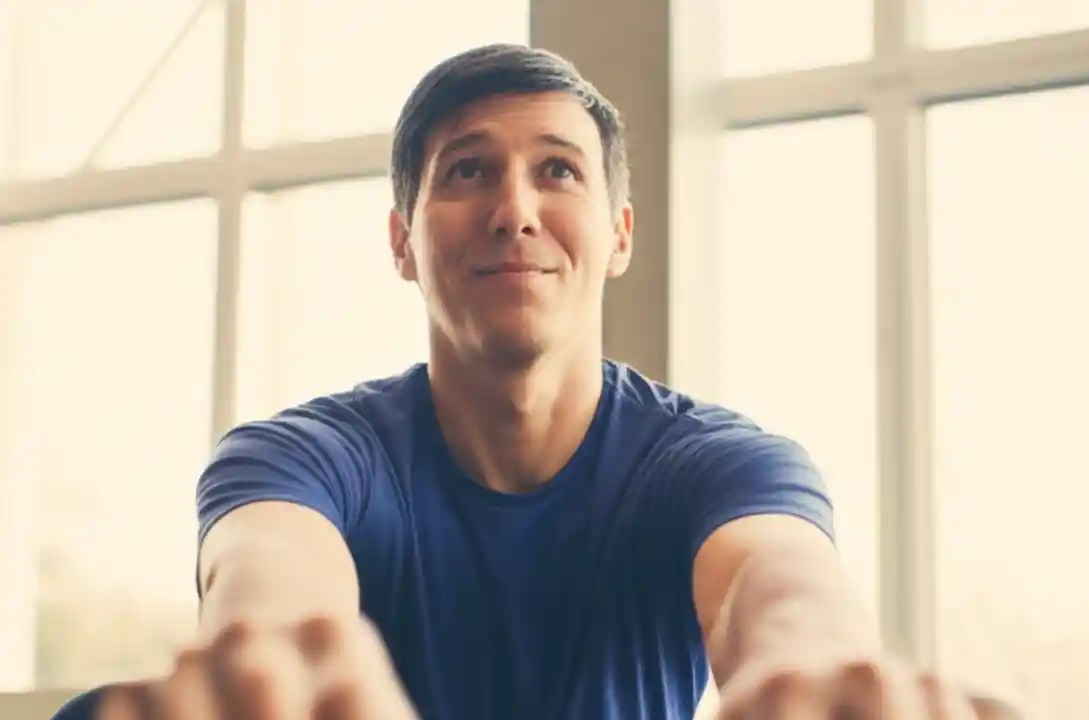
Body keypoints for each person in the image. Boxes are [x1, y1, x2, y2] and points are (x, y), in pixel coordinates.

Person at [61, 44, 1017, 719]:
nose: (514, 210)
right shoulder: (308, 457)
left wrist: (817, 667)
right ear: (403, 240)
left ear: (619, 235)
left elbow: (775, 587)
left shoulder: (717, 465)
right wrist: (273, 656)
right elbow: (272, 574)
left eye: (557, 171)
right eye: (468, 171)